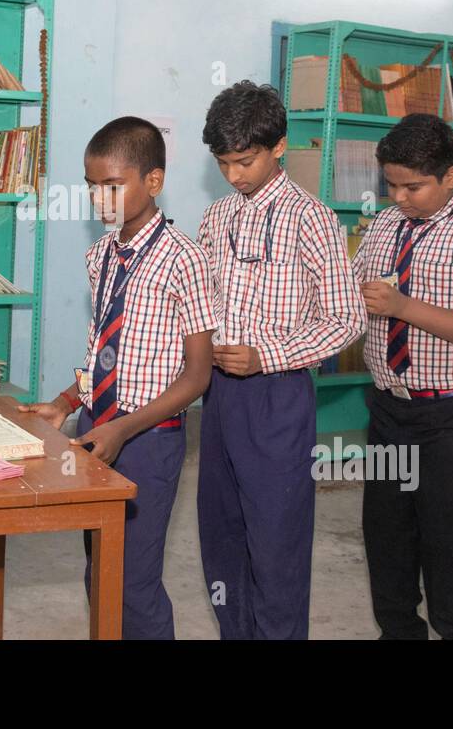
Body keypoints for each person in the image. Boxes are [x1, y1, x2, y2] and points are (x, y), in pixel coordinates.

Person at [24, 117, 216, 639]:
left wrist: (123, 428)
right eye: (90, 187)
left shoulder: (186, 260)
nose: (99, 199)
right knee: (100, 568)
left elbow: (198, 376)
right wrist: (66, 402)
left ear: (153, 181)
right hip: (95, 428)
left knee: (134, 580)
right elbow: (106, 352)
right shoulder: (100, 256)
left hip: (149, 439)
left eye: (112, 185)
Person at [196, 81, 365, 639]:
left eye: (245, 161)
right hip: (218, 395)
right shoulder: (216, 217)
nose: (235, 175)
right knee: (222, 533)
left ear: (280, 147)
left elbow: (346, 320)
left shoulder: (311, 218)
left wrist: (266, 355)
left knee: (276, 540)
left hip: (277, 397)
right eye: (224, 163)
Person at [352, 113, 453, 639]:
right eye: (391, 185)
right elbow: (356, 299)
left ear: (452, 177)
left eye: (413, 186)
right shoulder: (384, 226)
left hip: (449, 413)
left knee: (445, 538)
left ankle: (452, 631)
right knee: (386, 534)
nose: (400, 197)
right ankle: (398, 631)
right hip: (388, 406)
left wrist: (403, 306)